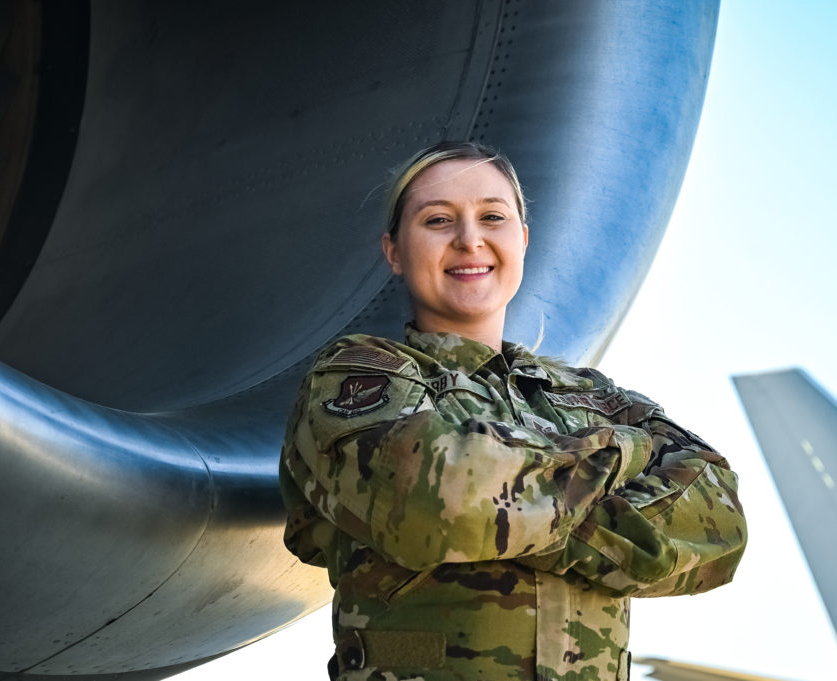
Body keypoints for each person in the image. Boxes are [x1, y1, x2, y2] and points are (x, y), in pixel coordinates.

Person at [279, 141, 747, 681]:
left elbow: (720, 522)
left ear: (521, 240)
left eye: (492, 217)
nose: (469, 239)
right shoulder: (357, 375)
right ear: (395, 251)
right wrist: (625, 456)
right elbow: (436, 503)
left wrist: (512, 508)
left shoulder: (594, 395)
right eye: (437, 220)